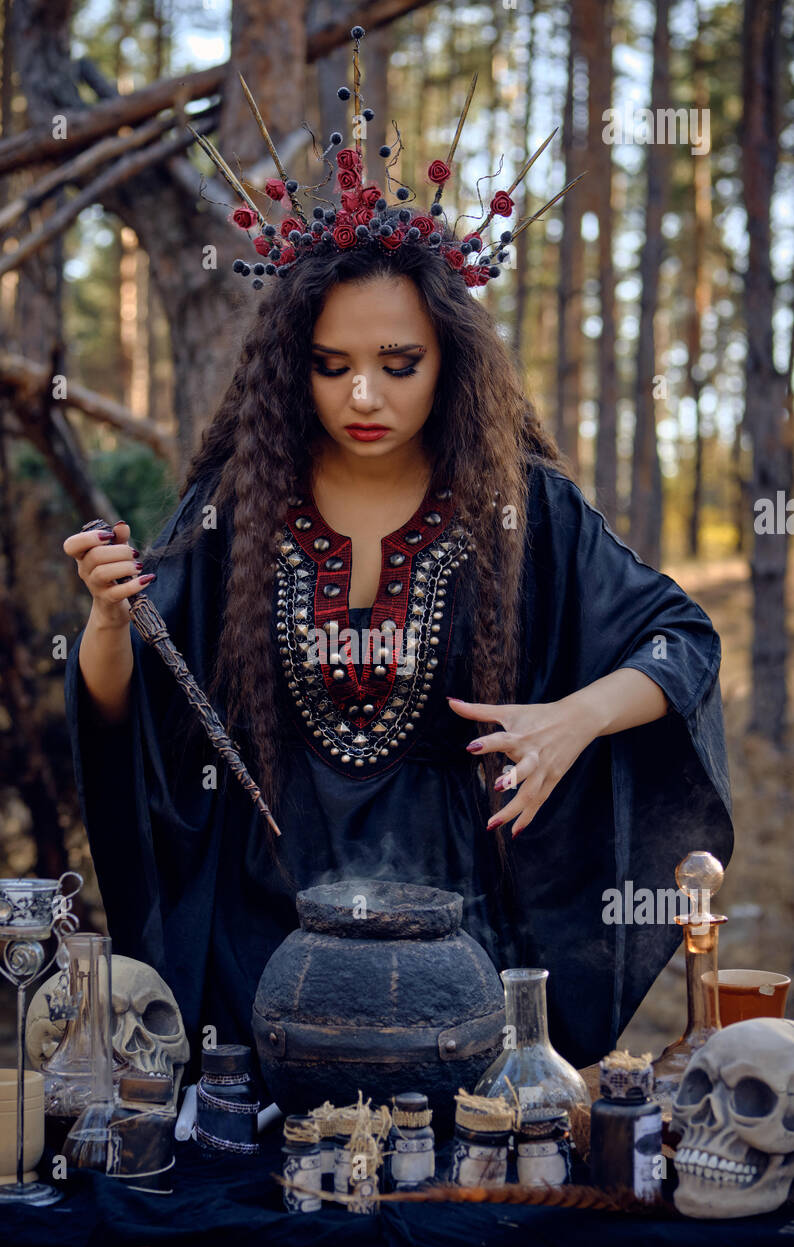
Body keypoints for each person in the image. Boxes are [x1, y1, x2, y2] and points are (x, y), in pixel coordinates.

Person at [62, 219, 733, 1074]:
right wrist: (109, 621)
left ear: (450, 357)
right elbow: (136, 716)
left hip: (464, 940)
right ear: (291, 366)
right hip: (264, 928)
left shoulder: (523, 508)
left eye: (398, 364)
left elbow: (682, 643)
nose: (364, 397)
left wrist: (573, 719)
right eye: (331, 366)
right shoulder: (236, 504)